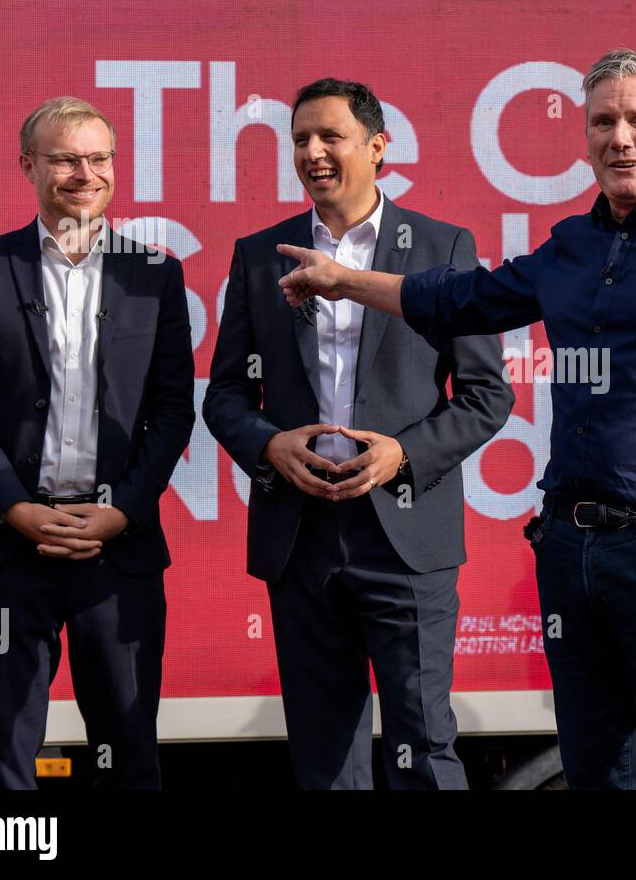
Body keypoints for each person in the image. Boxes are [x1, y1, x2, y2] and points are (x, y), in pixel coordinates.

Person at [276, 50, 636, 789]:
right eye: (603, 122)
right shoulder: (573, 246)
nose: (621, 137)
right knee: (597, 772)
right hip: (570, 549)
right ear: (586, 138)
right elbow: (460, 301)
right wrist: (343, 281)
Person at [203, 79, 512, 790]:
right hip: (299, 536)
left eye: (330, 137)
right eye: (300, 140)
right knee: (323, 757)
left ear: (377, 147)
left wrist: (405, 453)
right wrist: (268, 445)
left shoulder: (441, 246)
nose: (313, 152)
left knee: (425, 748)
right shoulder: (260, 256)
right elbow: (224, 393)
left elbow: (488, 394)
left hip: (406, 539)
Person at [0, 97, 194, 789]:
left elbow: (173, 410)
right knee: (1, 754)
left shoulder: (156, 274)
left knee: (130, 749)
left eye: (98, 157)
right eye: (64, 159)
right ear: (28, 165)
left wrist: (121, 511)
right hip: (3, 549)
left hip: (119, 551)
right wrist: (15, 509)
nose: (84, 173)